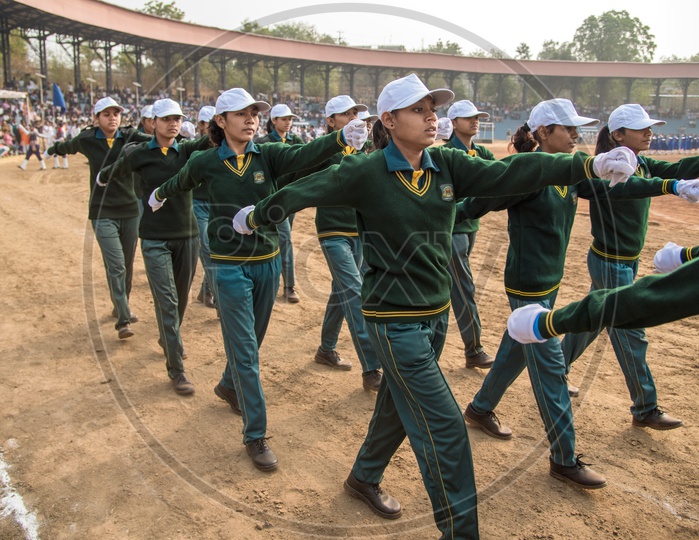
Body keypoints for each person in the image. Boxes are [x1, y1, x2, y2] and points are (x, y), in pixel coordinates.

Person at [230, 74, 637, 539]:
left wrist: (589, 166)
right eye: (419, 109)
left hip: (434, 317)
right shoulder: (366, 171)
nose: (431, 117)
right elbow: (307, 189)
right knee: (446, 431)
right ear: (389, 119)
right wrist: (256, 215)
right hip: (393, 321)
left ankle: (364, 476)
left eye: (432, 108)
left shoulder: (444, 164)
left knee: (394, 407)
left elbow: (512, 173)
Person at [457, 98, 696, 490]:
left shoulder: (570, 171)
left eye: (576, 128)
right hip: (527, 287)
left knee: (514, 350)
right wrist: (434, 218)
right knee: (551, 371)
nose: (575, 134)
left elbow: (614, 188)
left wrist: (671, 184)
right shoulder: (525, 171)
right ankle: (563, 459)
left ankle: (480, 408)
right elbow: (475, 204)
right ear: (544, 133)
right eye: (567, 129)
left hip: (547, 283)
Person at [148, 88, 368, 471]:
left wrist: (339, 137)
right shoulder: (205, 162)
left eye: (255, 113)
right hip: (226, 265)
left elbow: (305, 155)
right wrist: (158, 196)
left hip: (268, 262)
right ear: (221, 121)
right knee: (246, 350)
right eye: (241, 113)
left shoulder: (269, 154)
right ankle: (256, 434)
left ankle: (229, 385)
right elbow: (180, 181)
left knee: (253, 342)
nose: (251, 119)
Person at [560, 104, 699, 430]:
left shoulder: (641, 163)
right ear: (618, 135)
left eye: (650, 127)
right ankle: (645, 406)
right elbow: (630, 188)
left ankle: (556, 368)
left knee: (594, 319)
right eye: (642, 128)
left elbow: (679, 166)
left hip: (623, 261)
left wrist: (677, 178)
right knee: (630, 331)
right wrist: (672, 187)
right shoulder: (611, 169)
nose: (649, 132)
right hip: (611, 263)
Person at [97, 98, 211, 396]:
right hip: (154, 239)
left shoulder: (186, 150)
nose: (173, 123)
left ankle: (167, 338)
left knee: (182, 300)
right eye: (166, 119)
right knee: (167, 302)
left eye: (177, 119)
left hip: (188, 236)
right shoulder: (139, 154)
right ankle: (177, 369)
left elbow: (211, 140)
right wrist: (103, 176)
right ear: (153, 122)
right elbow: (116, 170)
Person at [46, 97, 151, 339]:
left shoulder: (130, 135)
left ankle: (119, 305)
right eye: (106, 114)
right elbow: (68, 146)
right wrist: (53, 148)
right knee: (116, 265)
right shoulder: (87, 139)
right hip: (102, 212)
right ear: (96, 118)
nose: (113, 117)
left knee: (126, 264)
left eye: (116, 113)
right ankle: (124, 319)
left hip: (130, 211)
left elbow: (153, 141)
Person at [298, 95, 383, 391]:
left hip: (357, 230)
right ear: (330, 122)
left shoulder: (364, 150)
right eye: (346, 114)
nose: (354, 118)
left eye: (356, 113)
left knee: (341, 290)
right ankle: (372, 366)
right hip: (332, 230)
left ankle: (325, 348)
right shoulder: (322, 151)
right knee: (355, 291)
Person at [507, 244, 699, 344]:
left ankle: (645, 405)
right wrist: (686, 256)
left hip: (623, 263)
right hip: (609, 259)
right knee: (626, 334)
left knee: (625, 329)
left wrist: (549, 323)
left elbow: (650, 299)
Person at [444, 100, 495, 368]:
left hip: (470, 227)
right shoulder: (446, 155)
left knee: (453, 285)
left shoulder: (482, 153)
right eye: (468, 117)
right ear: (453, 123)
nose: (475, 121)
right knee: (463, 288)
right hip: (452, 231)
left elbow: (500, 178)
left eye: (477, 117)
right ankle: (473, 348)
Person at [256, 103, 304, 303]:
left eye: (290, 119)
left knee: (282, 239)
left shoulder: (296, 141)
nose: (288, 122)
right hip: (271, 200)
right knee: (284, 239)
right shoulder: (264, 143)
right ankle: (289, 286)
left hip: (289, 198)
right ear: (273, 121)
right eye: (284, 119)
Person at [193, 105, 217, 309]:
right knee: (208, 248)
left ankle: (206, 290)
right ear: (200, 125)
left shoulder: (227, 148)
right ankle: (218, 297)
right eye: (208, 124)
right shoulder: (193, 149)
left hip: (218, 204)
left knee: (218, 249)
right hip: (197, 203)